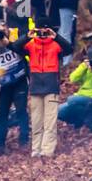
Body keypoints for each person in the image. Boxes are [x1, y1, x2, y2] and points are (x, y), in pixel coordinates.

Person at [15, 18, 71, 157]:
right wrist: (28, 35)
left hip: (51, 86)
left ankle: (47, 150)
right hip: (35, 87)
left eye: (44, 30)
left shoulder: (56, 45)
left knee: (50, 121)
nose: (42, 33)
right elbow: (15, 47)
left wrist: (55, 36)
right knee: (36, 120)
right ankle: (36, 149)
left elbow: (69, 49)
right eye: (40, 30)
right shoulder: (31, 45)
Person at [0, 21, 30, 154]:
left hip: (20, 79)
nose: (2, 32)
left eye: (3, 29)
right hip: (4, 84)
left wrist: (8, 42)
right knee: (2, 113)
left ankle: (24, 140)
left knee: (21, 110)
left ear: (8, 28)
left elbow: (24, 51)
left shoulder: (15, 35)